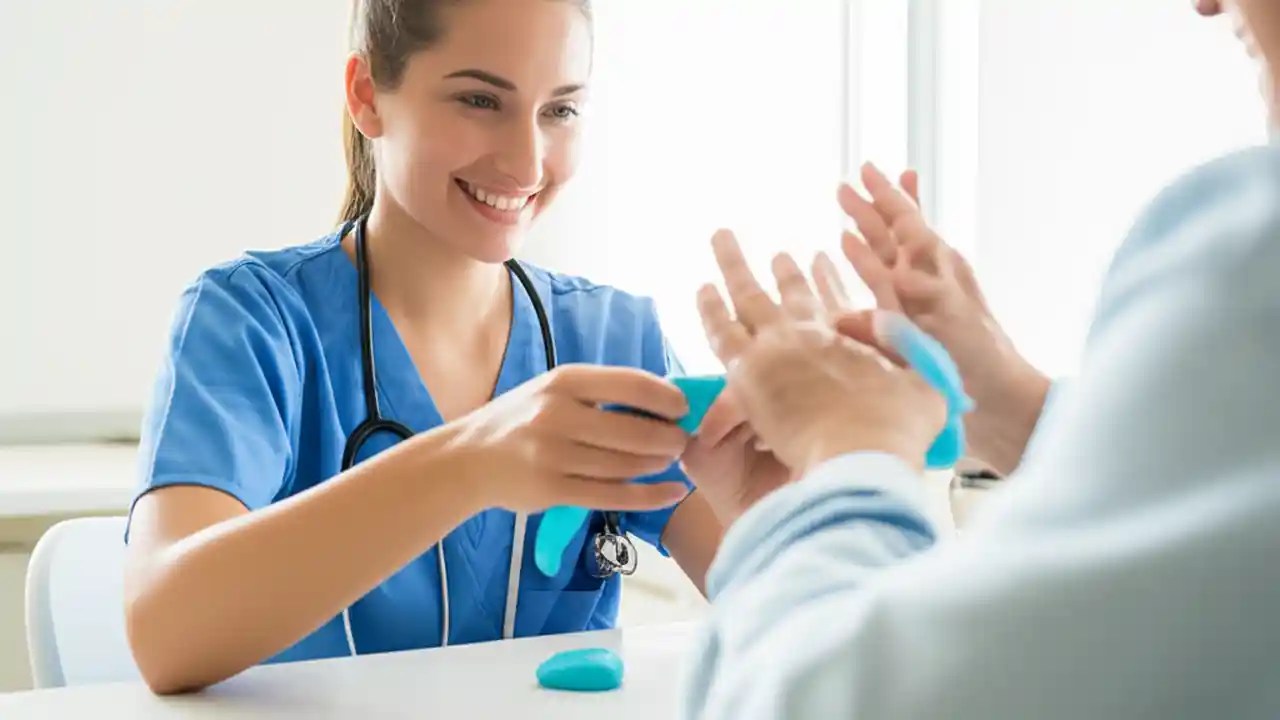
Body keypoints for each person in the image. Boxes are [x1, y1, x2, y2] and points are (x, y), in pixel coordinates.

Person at [679, 0, 1280, 716]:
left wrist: (844, 459)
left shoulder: (1251, 257)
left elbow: (835, 702)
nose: (1203, 4)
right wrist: (1013, 405)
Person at [122, 0, 730, 695]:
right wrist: (472, 462)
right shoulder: (252, 323)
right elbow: (165, 632)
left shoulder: (613, 341)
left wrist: (842, 436)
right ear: (366, 96)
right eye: (479, 99)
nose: (526, 161)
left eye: (559, 111)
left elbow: (812, 606)